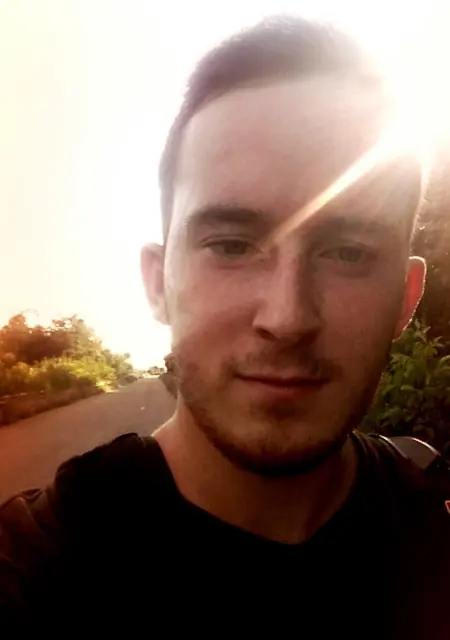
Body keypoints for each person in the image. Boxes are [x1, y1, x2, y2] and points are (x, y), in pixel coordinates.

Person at [1, 15, 449, 637]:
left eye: (348, 252)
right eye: (232, 245)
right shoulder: (36, 563)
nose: (287, 319)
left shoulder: (435, 522)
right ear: (157, 284)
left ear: (405, 298)